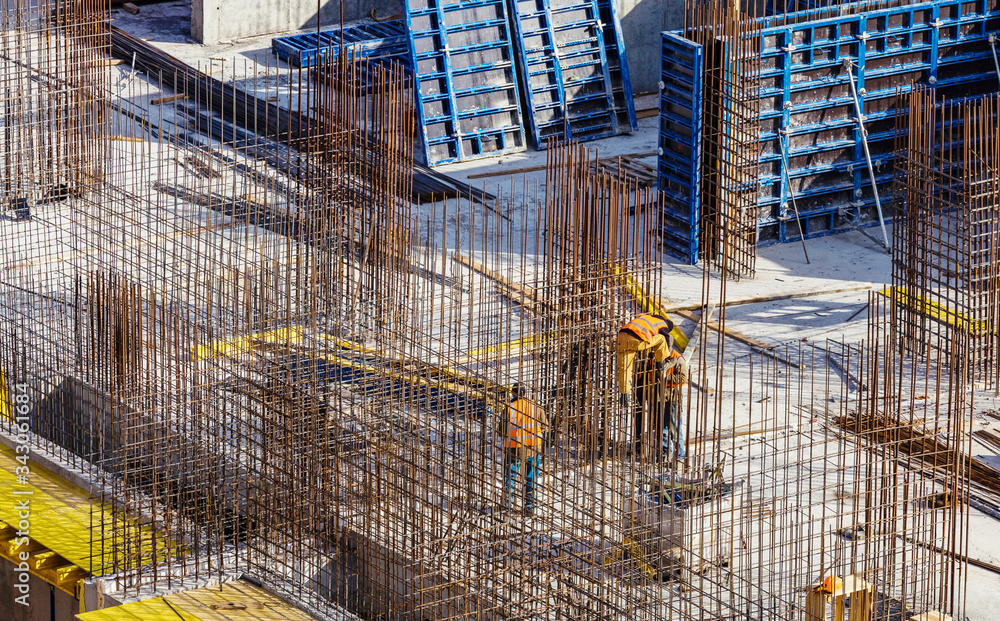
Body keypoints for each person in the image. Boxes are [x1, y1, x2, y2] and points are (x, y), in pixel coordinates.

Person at [616, 313, 675, 454]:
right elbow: (665, 338)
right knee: (661, 340)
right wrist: (662, 360)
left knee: (624, 368)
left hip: (621, 336)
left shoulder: (646, 317)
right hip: (636, 340)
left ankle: (624, 393)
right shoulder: (663, 325)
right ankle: (661, 363)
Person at [502, 384, 549, 516]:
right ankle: (530, 507)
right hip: (533, 447)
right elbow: (545, 425)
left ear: (514, 393)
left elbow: (500, 429)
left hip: (513, 448)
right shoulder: (535, 406)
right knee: (531, 478)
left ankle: (507, 506)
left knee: (510, 477)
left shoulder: (508, 407)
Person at [661, 348, 688, 461]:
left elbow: (683, 379)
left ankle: (680, 454)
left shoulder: (678, 359)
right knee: (663, 428)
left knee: (675, 427)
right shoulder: (658, 355)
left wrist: (666, 378)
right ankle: (666, 452)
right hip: (660, 397)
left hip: (673, 398)